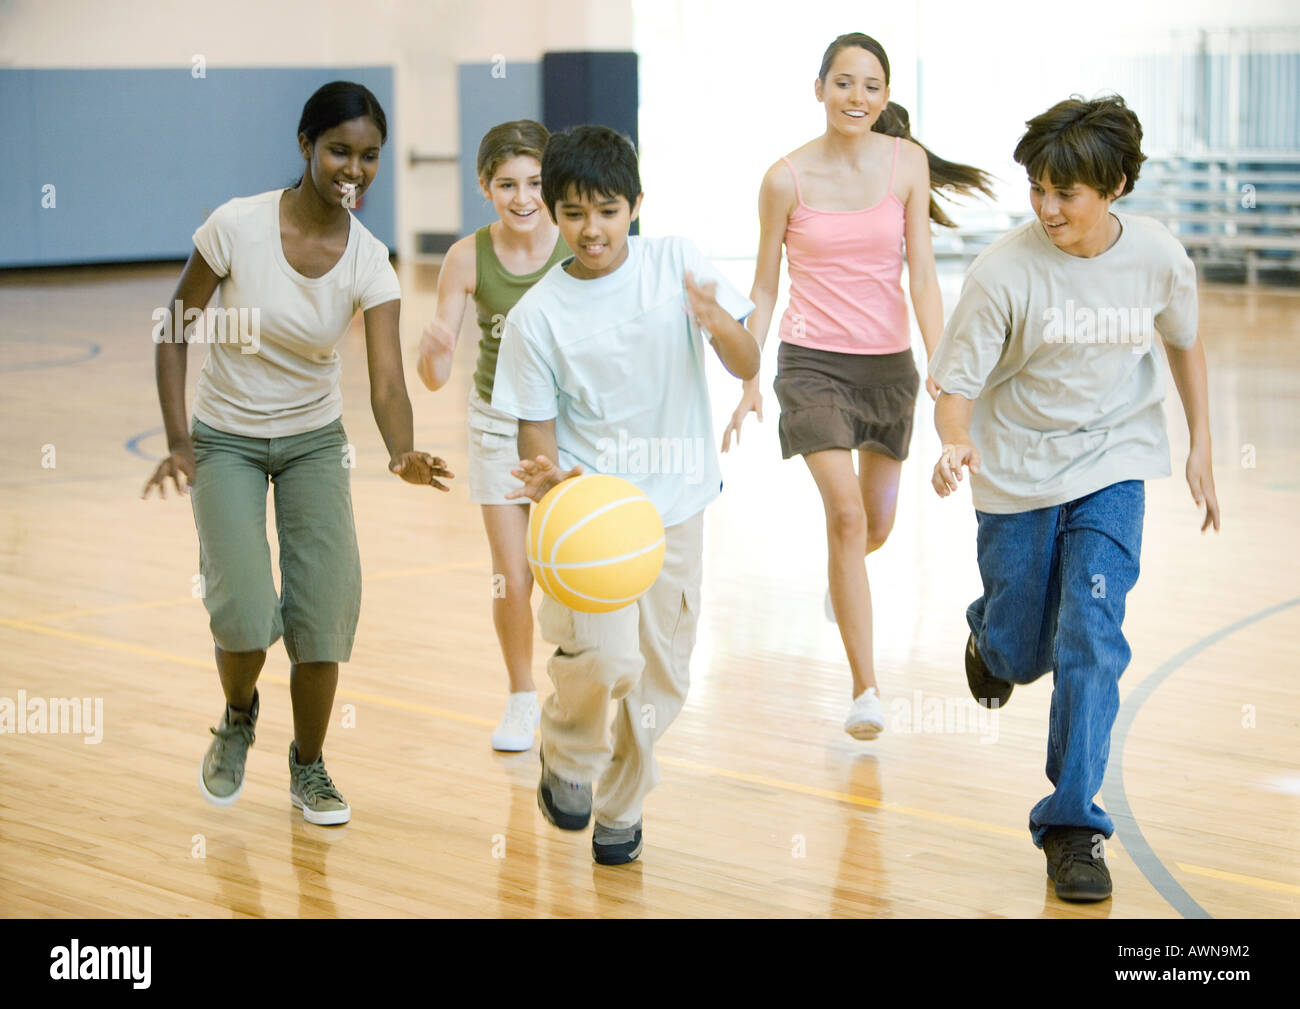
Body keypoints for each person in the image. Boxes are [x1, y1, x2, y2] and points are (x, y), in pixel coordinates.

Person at [928, 94, 1220, 901]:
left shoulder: (1158, 256)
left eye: (1067, 194)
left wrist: (1199, 443)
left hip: (1114, 461)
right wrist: (954, 439)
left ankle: (1071, 825)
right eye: (1038, 191)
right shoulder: (1003, 272)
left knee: (1093, 630)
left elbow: (1185, 342)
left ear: (1116, 186)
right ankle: (991, 638)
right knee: (1025, 652)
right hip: (1015, 470)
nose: (1048, 209)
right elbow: (955, 387)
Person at [142, 81, 453, 825]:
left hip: (314, 442)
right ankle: (238, 715)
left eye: (370, 155)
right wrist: (180, 440)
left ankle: (309, 765)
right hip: (227, 440)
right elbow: (173, 328)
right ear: (306, 145)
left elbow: (384, 378)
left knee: (323, 612)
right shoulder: (236, 226)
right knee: (246, 613)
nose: (355, 167)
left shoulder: (370, 259)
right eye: (340, 150)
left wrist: (401, 449)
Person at [491, 125, 759, 864]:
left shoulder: (676, 264)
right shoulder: (535, 317)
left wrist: (716, 324)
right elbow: (535, 432)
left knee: (660, 679)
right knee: (605, 658)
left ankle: (621, 805)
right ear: (551, 212)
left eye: (607, 210)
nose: (592, 229)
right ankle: (568, 755)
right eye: (573, 212)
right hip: (593, 517)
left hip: (675, 508)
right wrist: (549, 480)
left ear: (635, 206)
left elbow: (747, 358)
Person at [722, 32, 992, 739]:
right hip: (811, 364)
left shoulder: (907, 165)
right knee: (845, 516)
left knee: (874, 526)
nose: (858, 97)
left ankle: (844, 578)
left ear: (887, 96)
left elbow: (924, 276)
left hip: (889, 367)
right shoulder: (784, 178)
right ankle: (865, 689)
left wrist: (943, 365)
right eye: (844, 82)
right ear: (819, 89)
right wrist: (750, 370)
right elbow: (763, 284)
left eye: (872, 85)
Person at [416, 121, 570, 752]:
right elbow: (434, 377)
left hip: (567, 426)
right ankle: (521, 697)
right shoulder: (465, 257)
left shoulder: (575, 243)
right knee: (512, 575)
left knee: (571, 563)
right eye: (507, 184)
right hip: (495, 423)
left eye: (535, 182)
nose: (523, 196)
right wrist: (433, 350)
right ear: (485, 187)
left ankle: (580, 690)